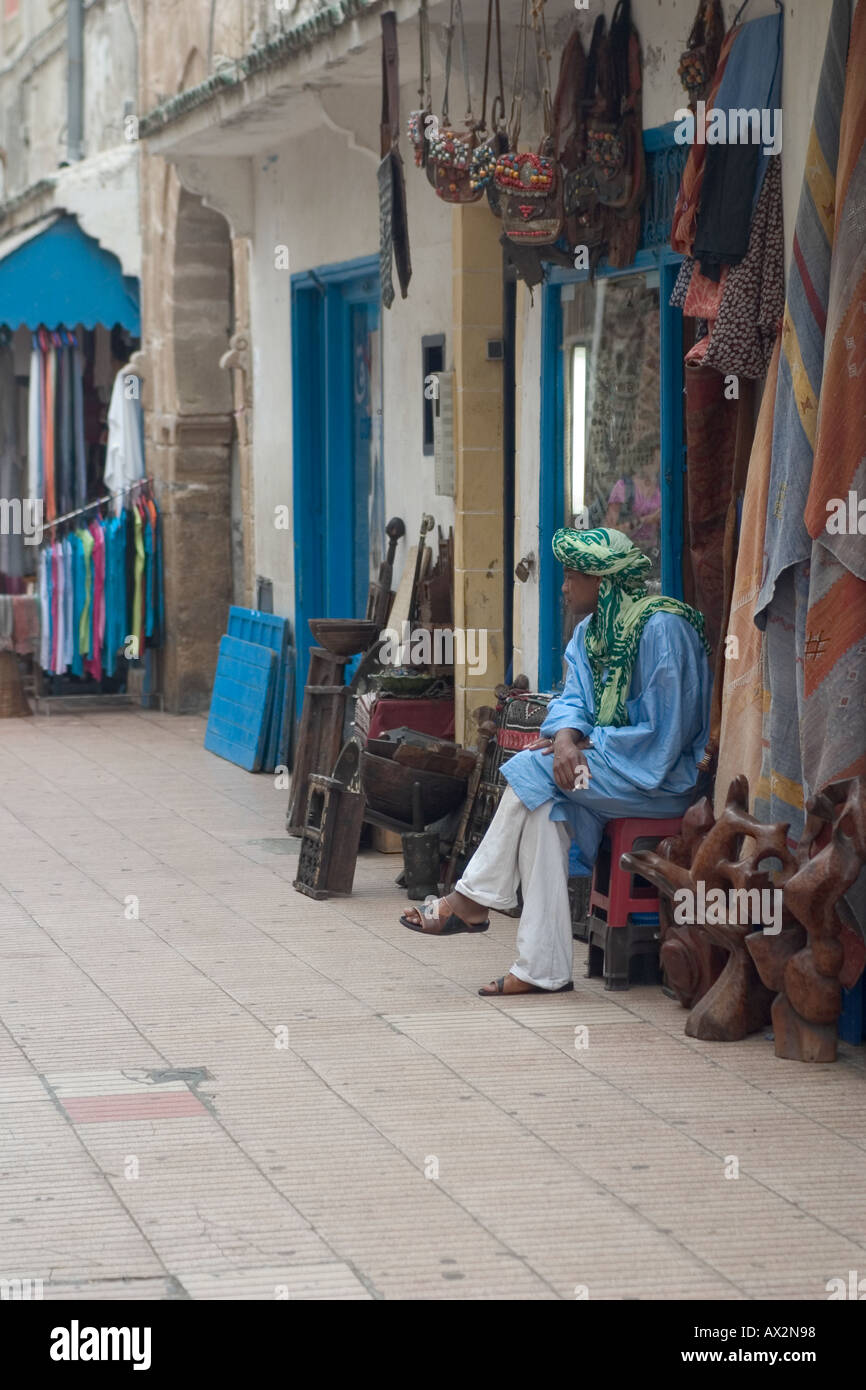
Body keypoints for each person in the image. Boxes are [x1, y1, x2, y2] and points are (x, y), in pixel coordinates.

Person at [400, 526, 712, 997]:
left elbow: (665, 735)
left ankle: (469, 899)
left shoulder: (663, 629)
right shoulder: (591, 633)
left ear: (602, 581)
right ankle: (542, 969)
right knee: (543, 809)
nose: (564, 588)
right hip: (611, 773)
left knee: (533, 769)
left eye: (572, 578)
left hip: (662, 780)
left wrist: (589, 745)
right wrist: (567, 738)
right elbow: (572, 701)